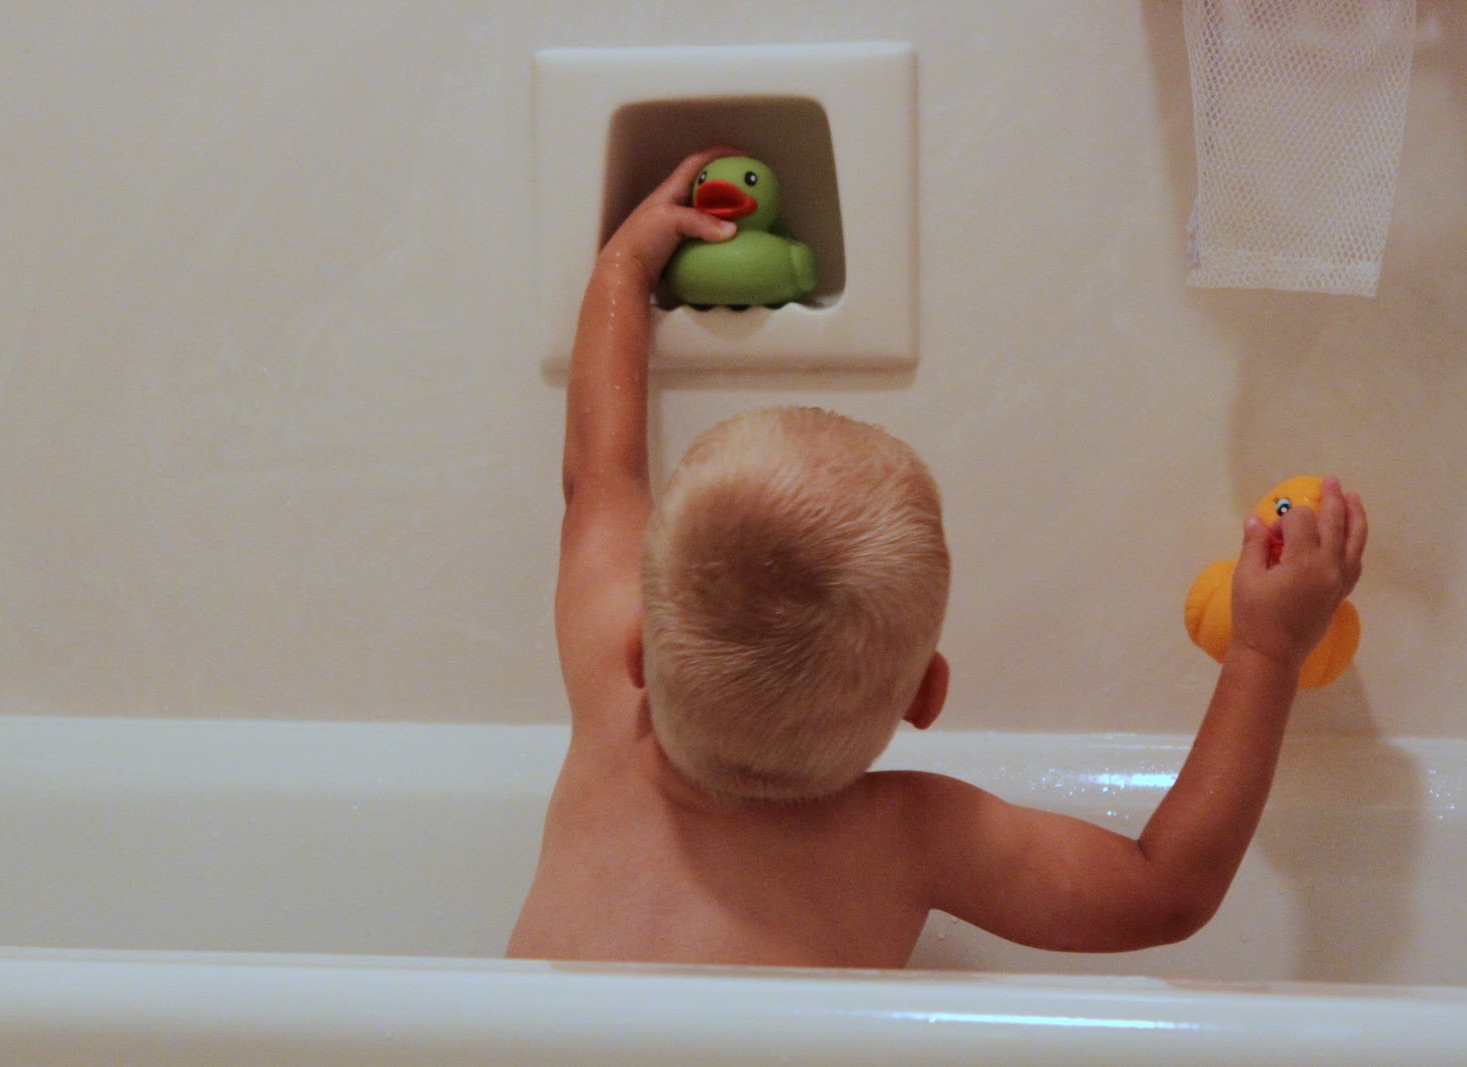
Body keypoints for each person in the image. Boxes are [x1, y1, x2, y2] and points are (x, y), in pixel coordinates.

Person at [507, 147, 1368, 968]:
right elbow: (1166, 889)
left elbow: (599, 472)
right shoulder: (912, 835)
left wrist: (622, 268)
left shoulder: (606, 701)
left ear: (637, 653)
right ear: (927, 694)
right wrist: (1266, 651)